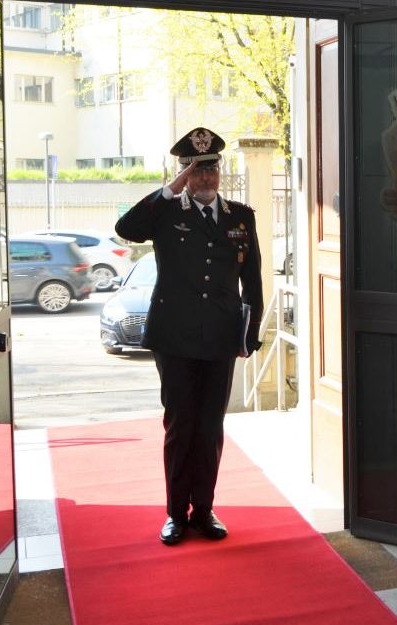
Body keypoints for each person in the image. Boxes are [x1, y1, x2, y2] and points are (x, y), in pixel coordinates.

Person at [114, 127, 264, 546]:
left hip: (219, 337)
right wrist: (169, 190)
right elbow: (127, 227)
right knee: (181, 425)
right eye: (196, 172)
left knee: (210, 426)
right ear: (183, 174)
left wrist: (249, 334)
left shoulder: (240, 217)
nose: (205, 179)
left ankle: (205, 509)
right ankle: (176, 513)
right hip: (176, 338)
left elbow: (252, 281)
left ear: (220, 173)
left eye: (211, 170)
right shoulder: (166, 213)